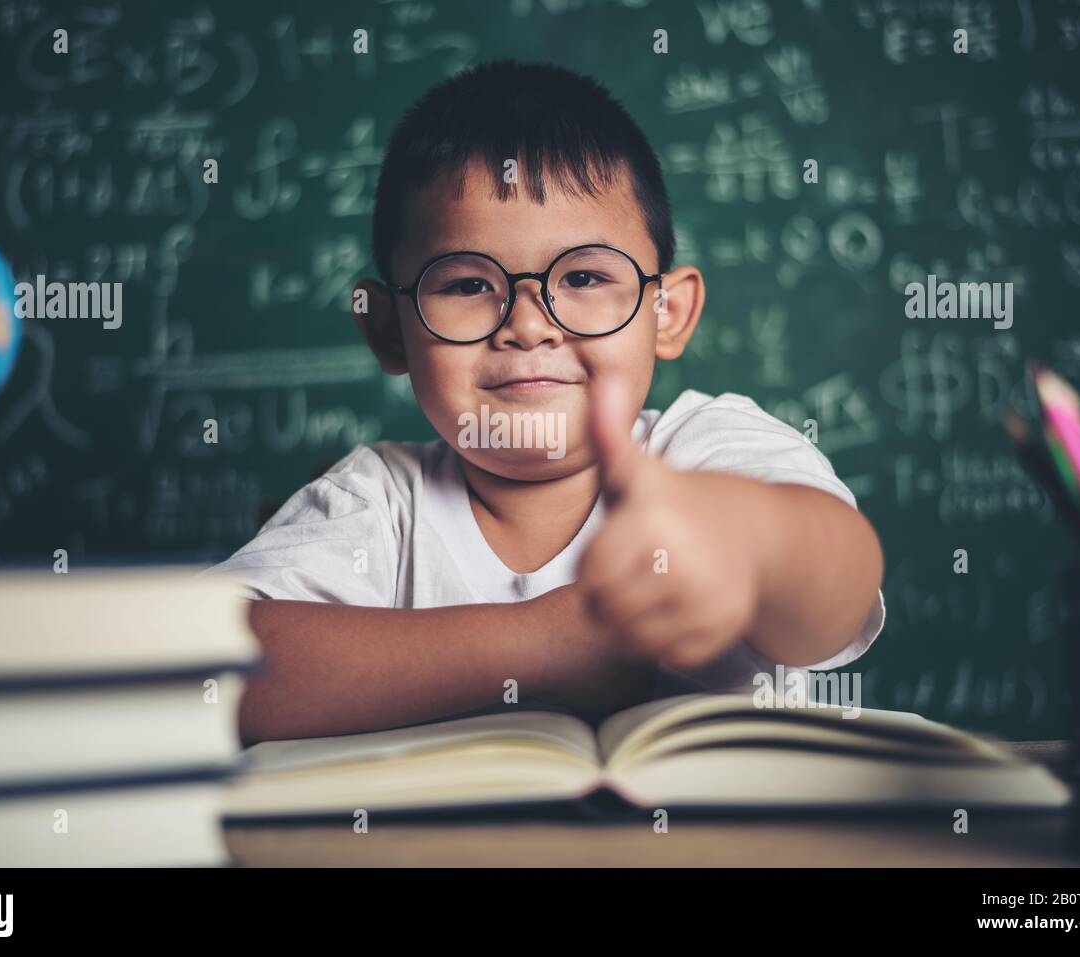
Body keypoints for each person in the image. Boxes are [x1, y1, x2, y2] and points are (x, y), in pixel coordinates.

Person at [210, 59, 885, 744]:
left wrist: (746, 540)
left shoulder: (705, 449)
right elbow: (207, 673)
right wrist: (542, 644)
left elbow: (840, 585)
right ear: (389, 329)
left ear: (668, 312)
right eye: (469, 285)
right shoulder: (378, 502)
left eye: (586, 276)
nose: (529, 325)